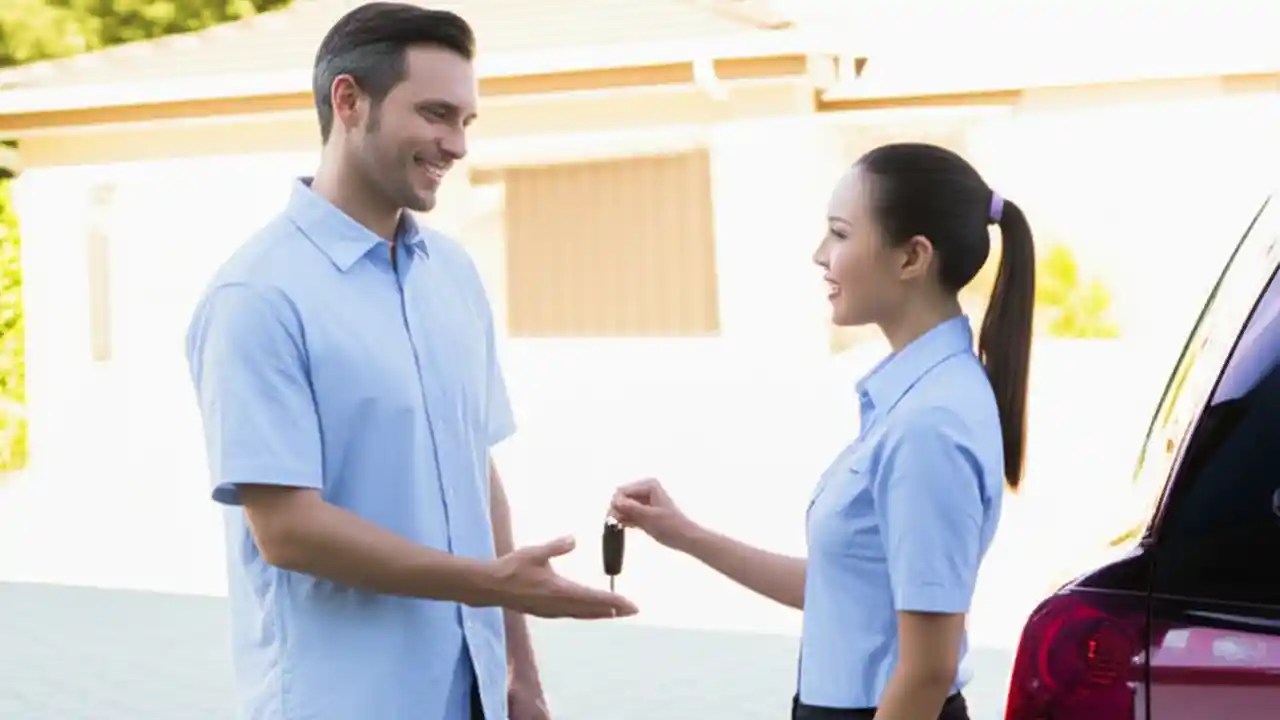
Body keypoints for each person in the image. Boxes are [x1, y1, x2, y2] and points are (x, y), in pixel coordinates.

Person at [184, 4, 636, 720]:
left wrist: (520, 673)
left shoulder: (450, 274)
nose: (455, 144)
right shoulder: (259, 295)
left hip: (473, 695)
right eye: (435, 113)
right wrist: (490, 584)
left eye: (465, 121)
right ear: (349, 102)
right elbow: (287, 530)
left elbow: (476, 469)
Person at [610, 142, 1036, 720]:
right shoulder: (917, 401)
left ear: (912, 257)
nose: (820, 255)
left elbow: (927, 670)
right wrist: (682, 533)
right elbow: (845, 590)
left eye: (839, 233)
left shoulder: (929, 425)